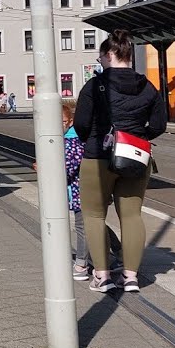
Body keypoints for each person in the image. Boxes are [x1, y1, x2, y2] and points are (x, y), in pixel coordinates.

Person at [74, 29, 167, 294]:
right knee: (132, 216)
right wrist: (137, 138)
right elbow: (159, 124)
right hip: (136, 158)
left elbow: (81, 123)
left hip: (98, 158)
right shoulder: (147, 86)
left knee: (93, 214)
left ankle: (102, 276)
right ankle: (131, 277)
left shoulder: (95, 85)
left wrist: (90, 139)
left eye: (101, 56)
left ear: (110, 54)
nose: (100, 61)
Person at [61, 100, 121, 281]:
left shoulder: (71, 141)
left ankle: (81, 263)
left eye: (62, 122)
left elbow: (67, 169)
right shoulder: (78, 138)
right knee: (95, 223)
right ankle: (119, 252)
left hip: (82, 192)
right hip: (89, 189)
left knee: (83, 226)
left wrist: (46, 170)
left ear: (71, 121)